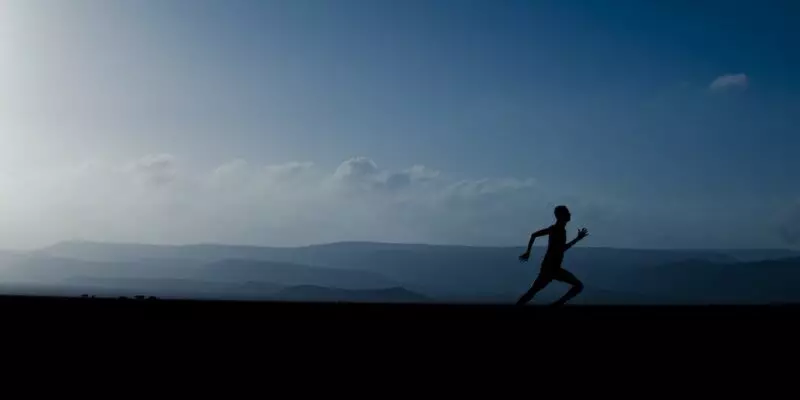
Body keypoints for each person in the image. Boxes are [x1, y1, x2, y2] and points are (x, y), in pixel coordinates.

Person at [516, 205, 588, 306]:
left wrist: (528, 252)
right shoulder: (556, 230)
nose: (569, 214)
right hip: (550, 268)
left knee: (532, 292)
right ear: (561, 216)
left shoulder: (558, 230)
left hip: (551, 267)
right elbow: (561, 248)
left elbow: (534, 235)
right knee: (578, 286)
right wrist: (577, 239)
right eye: (567, 213)